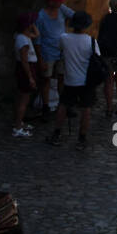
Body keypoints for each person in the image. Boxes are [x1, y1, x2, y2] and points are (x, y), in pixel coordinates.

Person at [47, 11, 99, 151]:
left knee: (63, 106)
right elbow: (97, 58)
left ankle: (56, 134)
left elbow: (60, 50)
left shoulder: (64, 38)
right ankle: (81, 139)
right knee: (86, 109)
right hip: (86, 81)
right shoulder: (91, 41)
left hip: (70, 79)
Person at [35, 0, 75, 121]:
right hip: (48, 53)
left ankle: (63, 104)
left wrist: (68, 23)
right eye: (58, 1)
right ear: (51, 2)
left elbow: (74, 15)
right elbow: (38, 40)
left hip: (61, 51)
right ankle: (46, 107)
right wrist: (40, 58)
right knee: (46, 79)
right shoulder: (41, 17)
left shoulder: (61, 9)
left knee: (62, 78)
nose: (60, 3)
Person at [13, 12, 39, 137]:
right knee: (24, 99)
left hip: (27, 67)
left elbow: (37, 34)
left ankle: (19, 122)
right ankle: (18, 127)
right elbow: (24, 60)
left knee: (23, 97)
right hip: (26, 69)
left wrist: (31, 25)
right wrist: (30, 77)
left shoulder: (23, 36)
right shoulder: (23, 39)